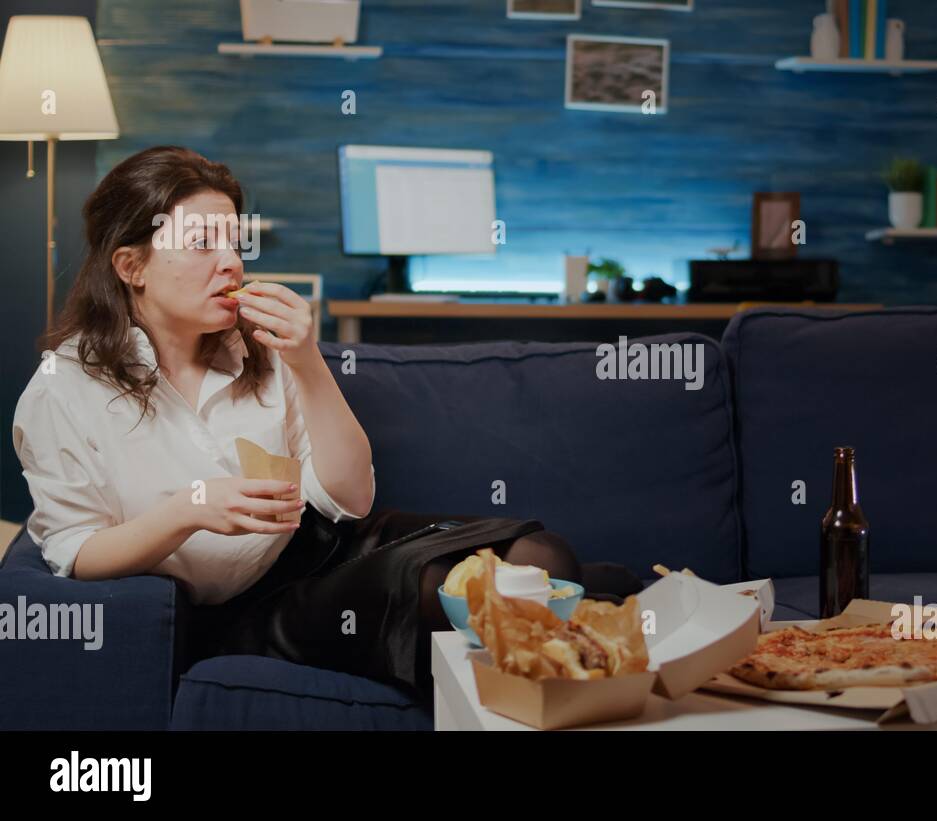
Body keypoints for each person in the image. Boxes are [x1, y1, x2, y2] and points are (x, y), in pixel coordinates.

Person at [11, 145, 594, 701]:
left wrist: (307, 360)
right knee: (439, 589)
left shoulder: (260, 349)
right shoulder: (64, 389)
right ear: (131, 265)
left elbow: (349, 499)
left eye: (235, 243)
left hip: (321, 546)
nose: (231, 262)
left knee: (537, 556)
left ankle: (577, 673)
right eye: (202, 244)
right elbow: (72, 549)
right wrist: (188, 509)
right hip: (250, 608)